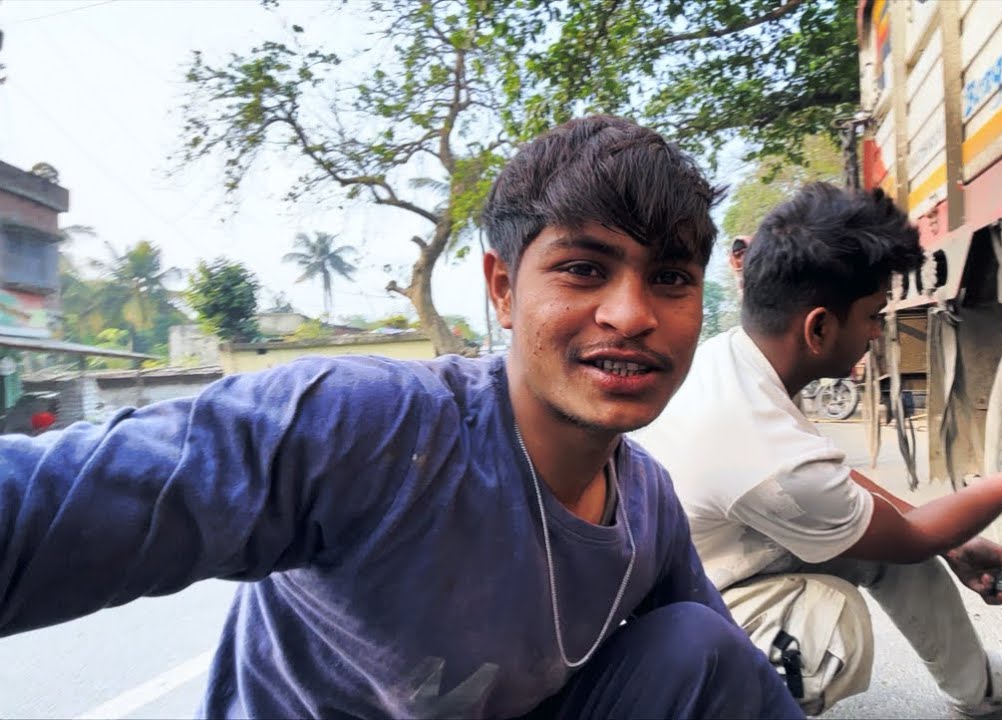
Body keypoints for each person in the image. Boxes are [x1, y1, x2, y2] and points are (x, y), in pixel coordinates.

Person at [0, 116, 802, 720]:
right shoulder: (369, 429)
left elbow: (731, 684)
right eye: (583, 269)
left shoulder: (647, 504)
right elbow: (43, 505)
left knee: (702, 648)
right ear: (501, 288)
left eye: (669, 278)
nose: (630, 314)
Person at [632, 182, 1002, 716]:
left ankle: (977, 683)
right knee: (834, 624)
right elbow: (901, 532)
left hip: (702, 567)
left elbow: (852, 498)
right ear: (820, 328)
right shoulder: (762, 445)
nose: (878, 332)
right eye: (873, 315)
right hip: (675, 626)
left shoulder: (734, 360)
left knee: (882, 538)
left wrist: (949, 541)